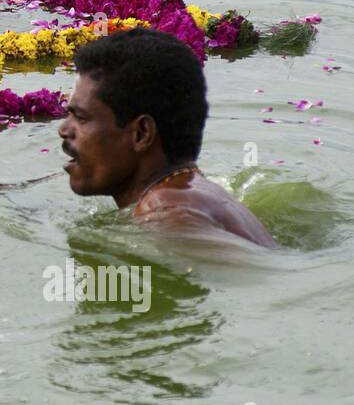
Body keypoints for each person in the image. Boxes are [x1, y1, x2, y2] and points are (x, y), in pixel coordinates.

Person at [57, 28, 276, 246]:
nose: (64, 130)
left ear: (141, 134)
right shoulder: (198, 193)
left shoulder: (165, 212)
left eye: (82, 118)